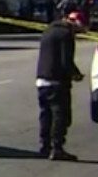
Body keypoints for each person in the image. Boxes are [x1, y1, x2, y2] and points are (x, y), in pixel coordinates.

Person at [34, 8, 86, 161]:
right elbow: (66, 61)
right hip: (57, 82)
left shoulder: (48, 31)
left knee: (46, 115)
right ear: (75, 22)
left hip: (42, 79)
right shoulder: (66, 35)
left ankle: (44, 146)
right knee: (60, 116)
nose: (78, 33)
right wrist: (76, 75)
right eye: (79, 29)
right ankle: (57, 148)